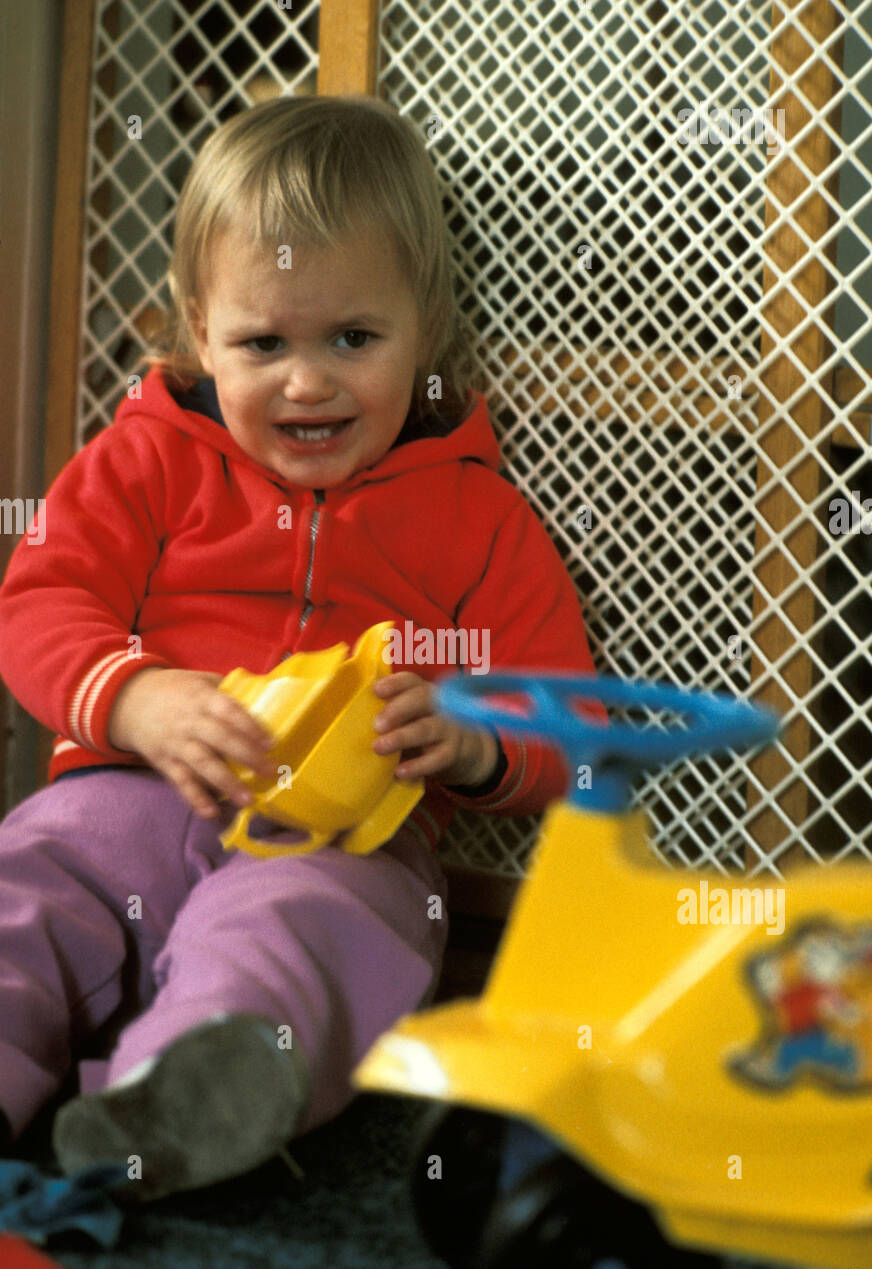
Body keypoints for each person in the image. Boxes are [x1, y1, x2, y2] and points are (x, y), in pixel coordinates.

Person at [0, 96, 597, 1201]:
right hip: (132, 792)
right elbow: (39, 604)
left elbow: (568, 715)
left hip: (343, 838)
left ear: (423, 329)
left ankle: (188, 1090)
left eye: (352, 341)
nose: (306, 381)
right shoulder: (147, 462)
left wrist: (469, 740)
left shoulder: (476, 514)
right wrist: (133, 699)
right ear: (198, 326)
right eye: (262, 343)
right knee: (29, 883)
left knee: (306, 937)